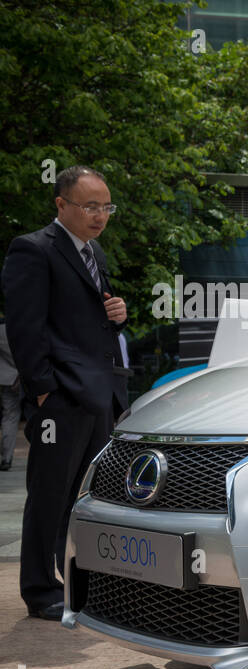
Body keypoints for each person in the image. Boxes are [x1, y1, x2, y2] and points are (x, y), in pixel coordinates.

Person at [2, 165, 129, 620]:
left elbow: (100, 321)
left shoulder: (95, 254)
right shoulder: (33, 250)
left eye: (106, 207)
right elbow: (25, 329)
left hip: (99, 398)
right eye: (90, 206)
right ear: (62, 205)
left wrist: (119, 314)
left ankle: (78, 583)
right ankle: (40, 591)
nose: (100, 216)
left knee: (85, 498)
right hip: (60, 399)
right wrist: (42, 395)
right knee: (49, 496)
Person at [0, 321, 19, 470]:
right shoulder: (23, 325)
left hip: (7, 379)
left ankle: (6, 458)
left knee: (9, 417)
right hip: (30, 378)